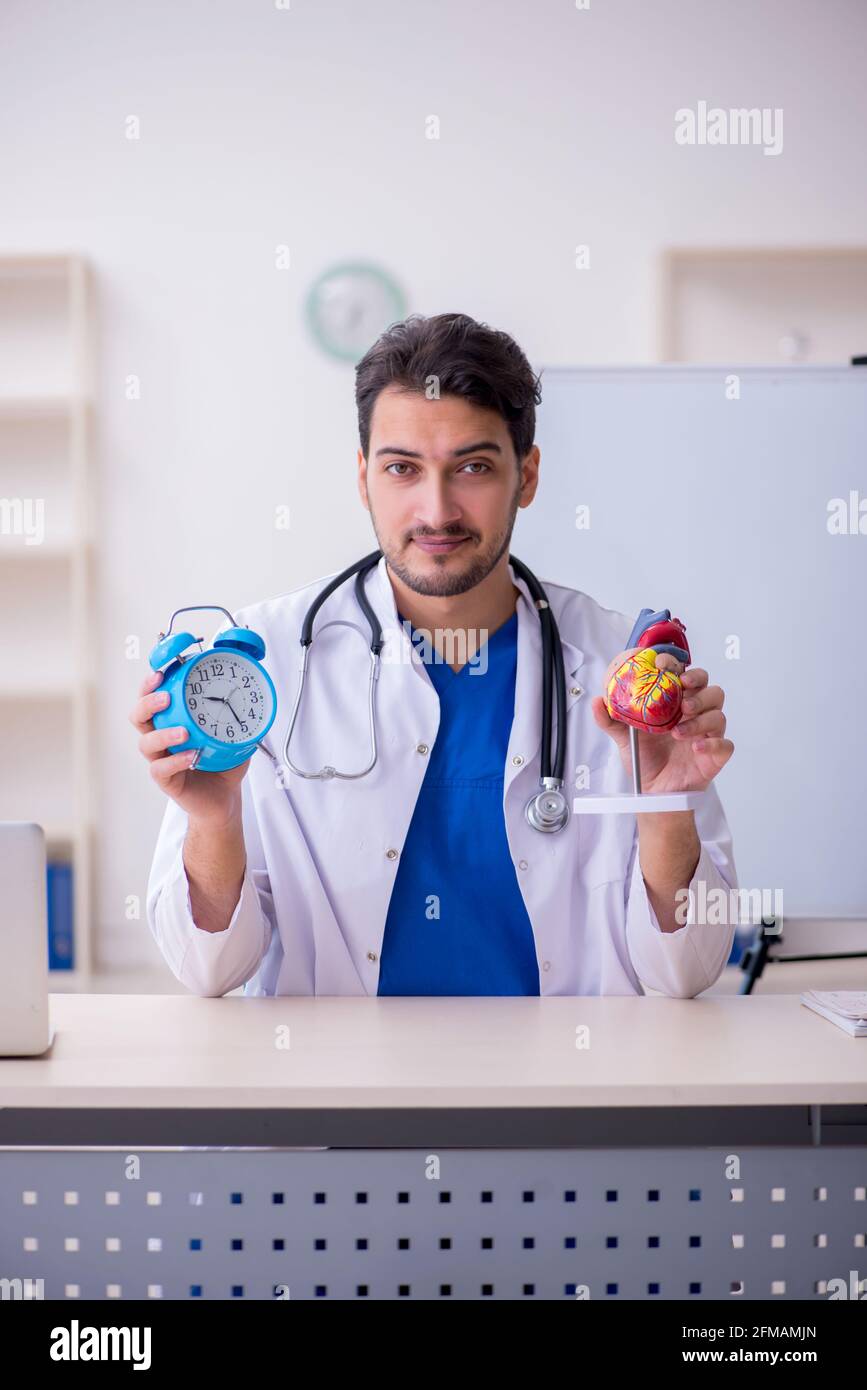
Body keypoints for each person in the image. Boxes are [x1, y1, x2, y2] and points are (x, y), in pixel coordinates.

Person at [134, 312, 736, 998]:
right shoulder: (258, 668)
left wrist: (664, 808)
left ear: (527, 475)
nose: (437, 509)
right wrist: (213, 819)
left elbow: (685, 972)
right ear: (364, 478)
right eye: (402, 468)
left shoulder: (620, 669)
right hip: (341, 1091)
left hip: (566, 1090)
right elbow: (208, 969)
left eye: (473, 467)